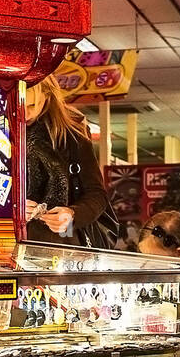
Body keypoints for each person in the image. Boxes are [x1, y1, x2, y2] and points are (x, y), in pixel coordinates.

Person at [23, 74, 109, 245]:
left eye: (32, 105)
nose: (25, 113)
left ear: (47, 96)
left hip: (63, 243)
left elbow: (97, 194)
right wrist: (11, 208)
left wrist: (71, 215)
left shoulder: (72, 133)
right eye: (18, 105)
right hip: (4, 244)